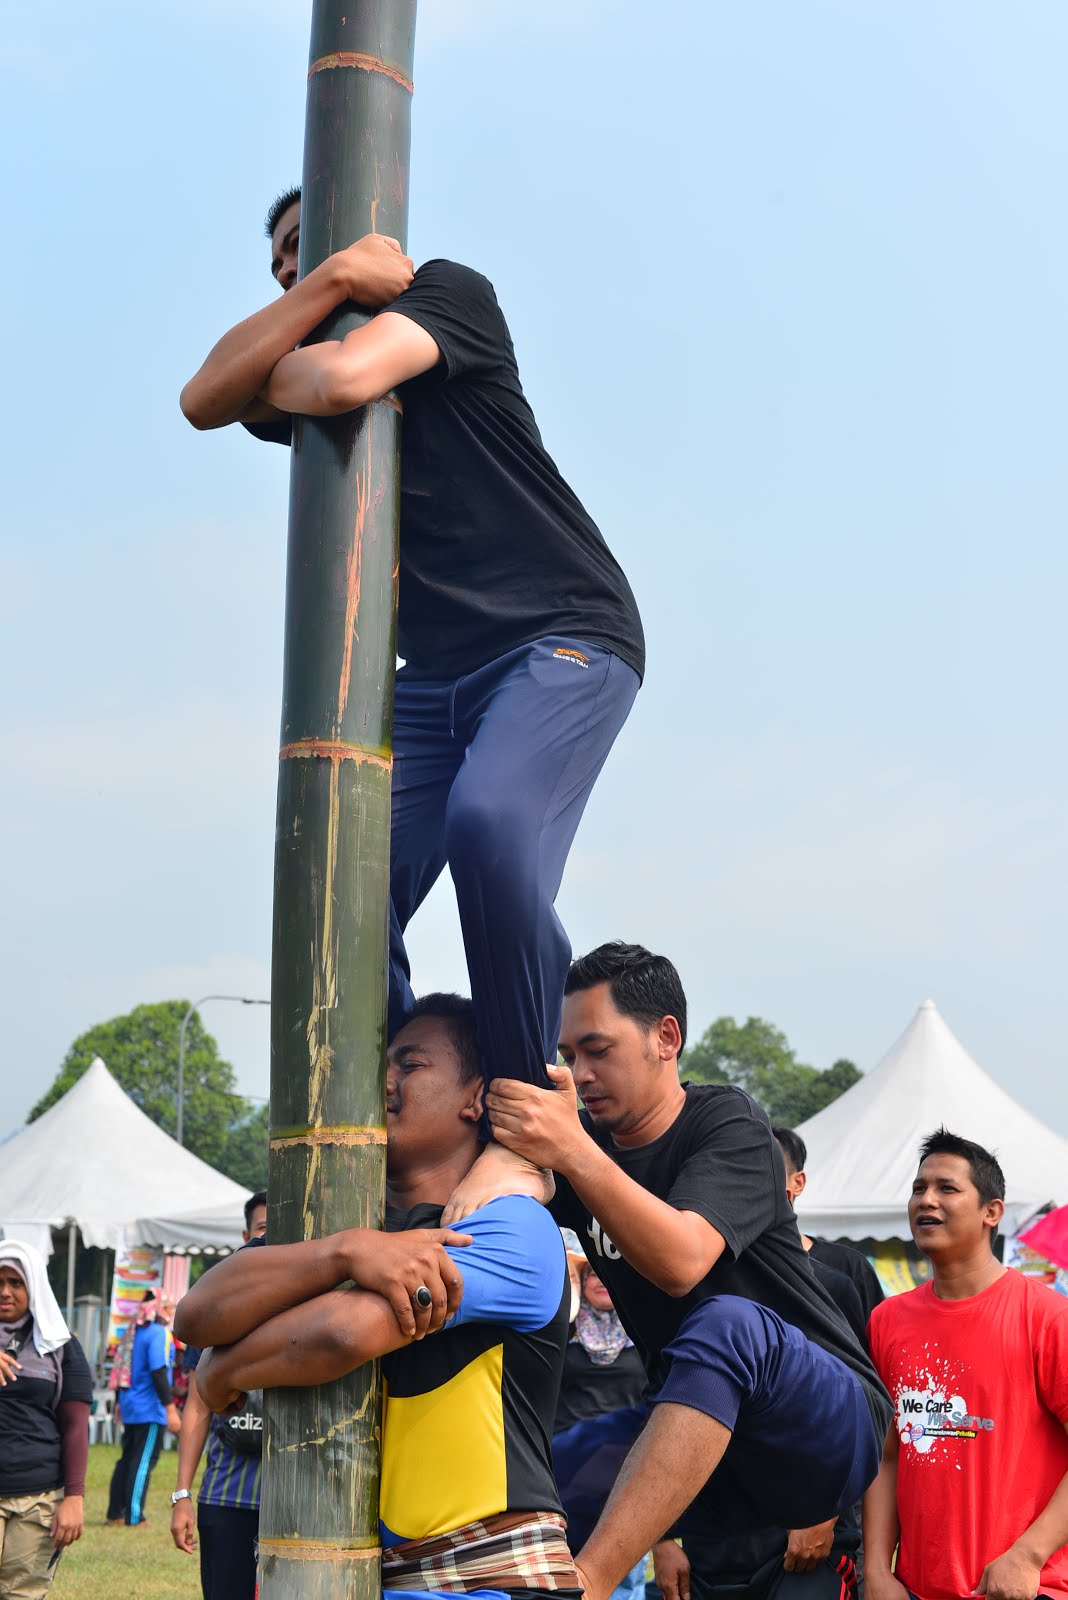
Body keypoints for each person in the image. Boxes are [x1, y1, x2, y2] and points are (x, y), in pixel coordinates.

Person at [180, 193, 644, 1170]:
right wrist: (334, 284)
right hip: (435, 677)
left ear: (374, 225)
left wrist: (315, 349)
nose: (289, 273)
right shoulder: (321, 313)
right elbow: (203, 397)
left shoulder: (450, 296)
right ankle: (408, 1092)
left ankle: (529, 1115)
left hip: (560, 634)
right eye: (279, 265)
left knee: (489, 824)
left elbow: (344, 376)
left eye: (308, 248)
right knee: (342, 882)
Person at [483, 942, 892, 1600]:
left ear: (665, 1037)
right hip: (717, 1457)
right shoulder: (579, 1143)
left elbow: (680, 1263)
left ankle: (591, 1585)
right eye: (568, 1057)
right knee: (524, 1483)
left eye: (597, 1049)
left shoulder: (728, 1124)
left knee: (725, 1322)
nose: (580, 1073)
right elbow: (499, 1181)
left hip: (825, 1432)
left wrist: (570, 1150)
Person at [174, 995, 581, 1600]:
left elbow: (347, 1331)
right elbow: (199, 1313)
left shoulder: (510, 1226)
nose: (383, 1083)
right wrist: (344, 1251)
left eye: (410, 1066)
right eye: (381, 1066)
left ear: (478, 1097)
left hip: (488, 1582)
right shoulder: (341, 1230)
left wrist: (223, 1372)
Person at [864, 1129, 1068, 1600]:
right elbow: (887, 1454)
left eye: (946, 1188)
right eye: (918, 1189)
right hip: (914, 1589)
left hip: (1022, 1589)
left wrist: (1028, 1556)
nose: (925, 1200)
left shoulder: (1045, 1318)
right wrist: (876, 1569)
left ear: (991, 1212)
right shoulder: (887, 1321)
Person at [171, 1191, 268, 1600]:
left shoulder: (318, 1300)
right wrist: (181, 1495)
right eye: (263, 1229)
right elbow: (197, 1406)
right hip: (228, 1497)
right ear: (246, 1235)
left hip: (302, 1502)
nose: (270, 1239)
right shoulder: (219, 1306)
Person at [554, 1234, 649, 1600]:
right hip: (565, 1466)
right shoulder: (564, 1327)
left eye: (607, 1274)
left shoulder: (643, 1335)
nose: (600, 1281)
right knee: (567, 1566)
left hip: (625, 1467)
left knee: (625, 1569)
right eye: (591, 1273)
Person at [0, 1241, 92, 1598]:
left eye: (16, 1283)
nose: (5, 1292)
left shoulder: (61, 1346)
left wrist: (74, 1498)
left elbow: (75, 1427)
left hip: (36, 1499)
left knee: (23, 1593)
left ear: (34, 1286)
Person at [772, 1128, 885, 1328]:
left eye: (768, 1169)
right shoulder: (726, 1267)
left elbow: (874, 1350)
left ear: (797, 1183)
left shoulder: (849, 1268)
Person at [107, 1290, 179, 1527]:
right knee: (143, 1461)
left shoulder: (133, 1331)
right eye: (168, 1308)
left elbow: (120, 1369)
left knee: (127, 1459)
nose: (171, 1313)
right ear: (159, 1309)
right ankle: (135, 1516)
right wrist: (170, 1409)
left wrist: (119, 1403)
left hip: (130, 1405)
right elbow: (158, 1371)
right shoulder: (158, 1333)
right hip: (149, 1407)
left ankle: (114, 1513)